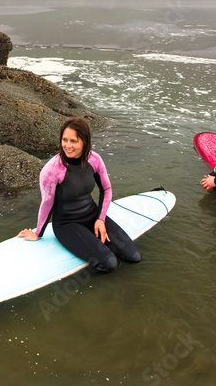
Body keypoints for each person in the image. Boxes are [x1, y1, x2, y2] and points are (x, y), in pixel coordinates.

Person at [18, 117, 140, 272]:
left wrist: (100, 219)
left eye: (73, 141)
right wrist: (38, 233)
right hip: (67, 225)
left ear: (84, 141)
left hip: (92, 216)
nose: (68, 146)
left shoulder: (94, 160)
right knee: (109, 264)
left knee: (134, 256)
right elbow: (47, 203)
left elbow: (106, 190)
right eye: (64, 140)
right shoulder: (52, 169)